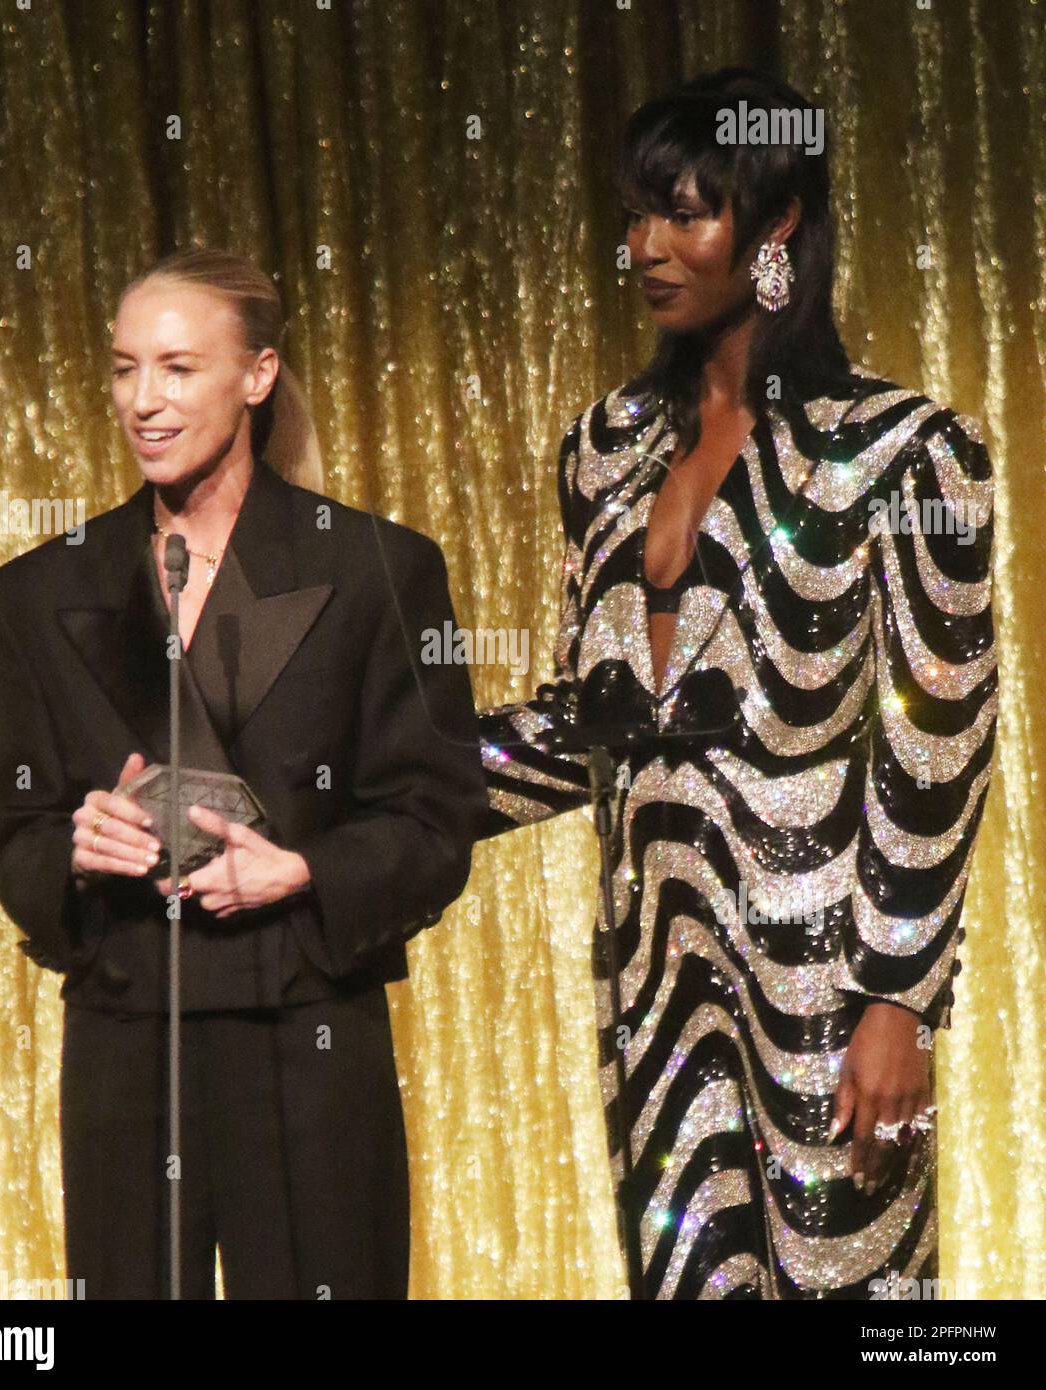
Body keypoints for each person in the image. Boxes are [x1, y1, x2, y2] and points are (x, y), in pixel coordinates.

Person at [476, 68, 998, 1299]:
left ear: (775, 231)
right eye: (635, 216)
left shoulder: (904, 452)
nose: (645, 247)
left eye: (683, 213)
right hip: (654, 979)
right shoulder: (605, 451)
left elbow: (940, 735)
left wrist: (901, 1003)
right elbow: (586, 726)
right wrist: (354, 776)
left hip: (832, 984)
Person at [0, 247, 489, 1299]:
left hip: (300, 1024)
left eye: (177, 368)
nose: (144, 401)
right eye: (125, 369)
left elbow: (436, 817)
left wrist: (300, 870)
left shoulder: (374, 571)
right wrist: (78, 849)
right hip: (127, 1036)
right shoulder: (40, 588)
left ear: (257, 376)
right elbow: (16, 830)